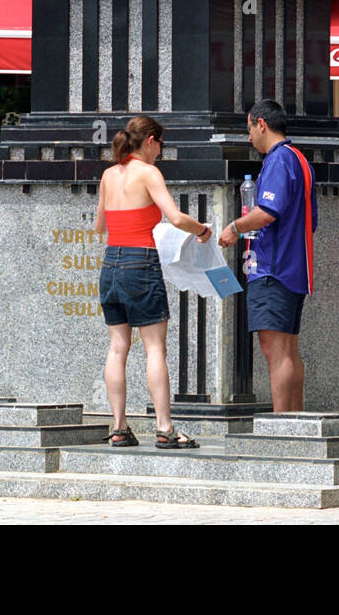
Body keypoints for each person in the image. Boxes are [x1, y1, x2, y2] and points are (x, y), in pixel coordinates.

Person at [95, 113, 212, 448]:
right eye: (160, 145)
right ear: (150, 141)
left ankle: (118, 428)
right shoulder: (149, 173)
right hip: (141, 263)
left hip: (111, 264)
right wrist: (202, 230)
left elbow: (99, 227)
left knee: (117, 347)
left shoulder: (108, 175)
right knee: (154, 348)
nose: (160, 152)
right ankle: (165, 428)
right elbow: (174, 217)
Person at [219, 99, 316, 412]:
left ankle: (281, 425)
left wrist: (234, 227)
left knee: (274, 350)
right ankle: (294, 421)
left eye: (249, 129)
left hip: (272, 268)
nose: (249, 137)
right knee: (288, 348)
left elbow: (267, 212)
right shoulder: (300, 160)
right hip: (295, 269)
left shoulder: (277, 161)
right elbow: (312, 221)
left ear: (261, 123)